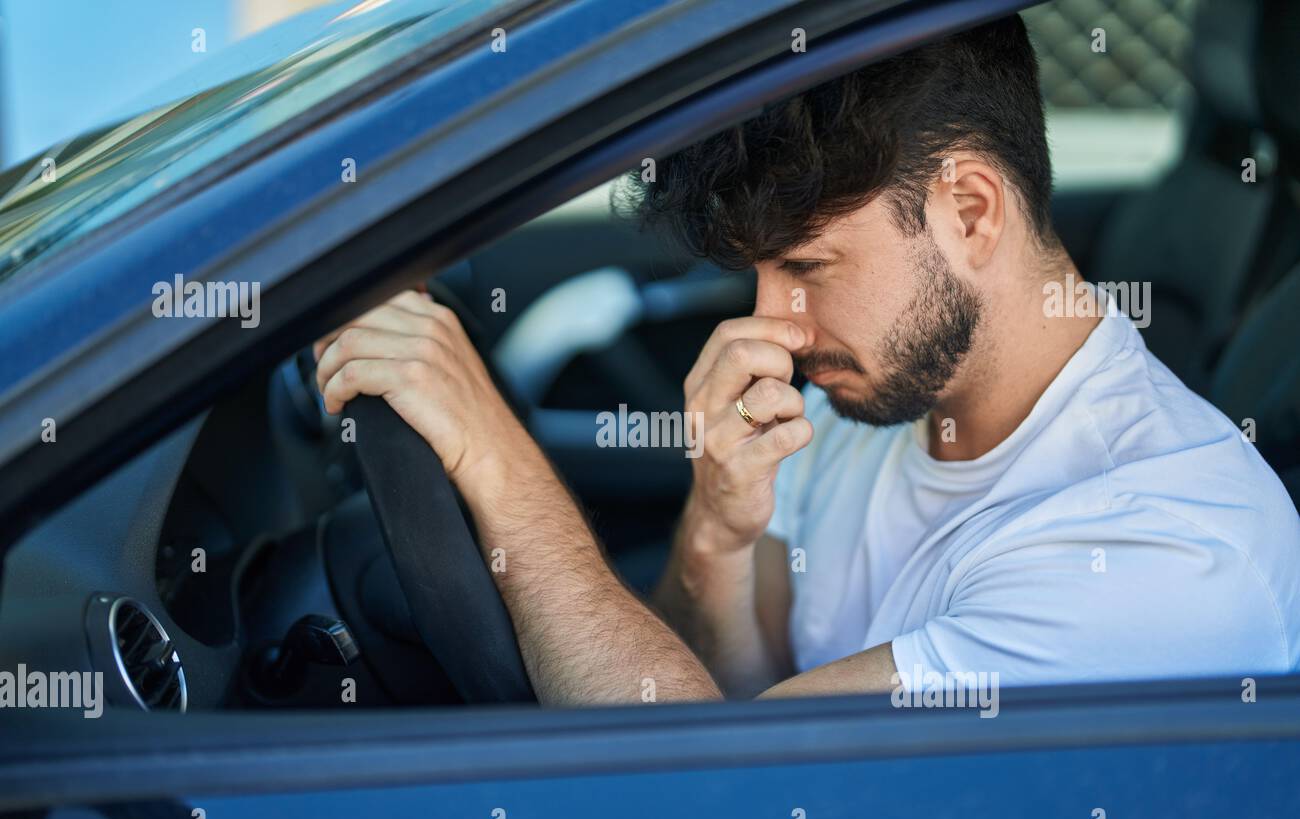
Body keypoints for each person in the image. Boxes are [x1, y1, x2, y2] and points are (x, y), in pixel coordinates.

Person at [312, 15, 1300, 705]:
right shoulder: (873, 399)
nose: (774, 325)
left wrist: (496, 462)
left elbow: (713, 804)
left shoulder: (1158, 553)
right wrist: (718, 530)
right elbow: (735, 687)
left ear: (969, 211)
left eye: (806, 266)